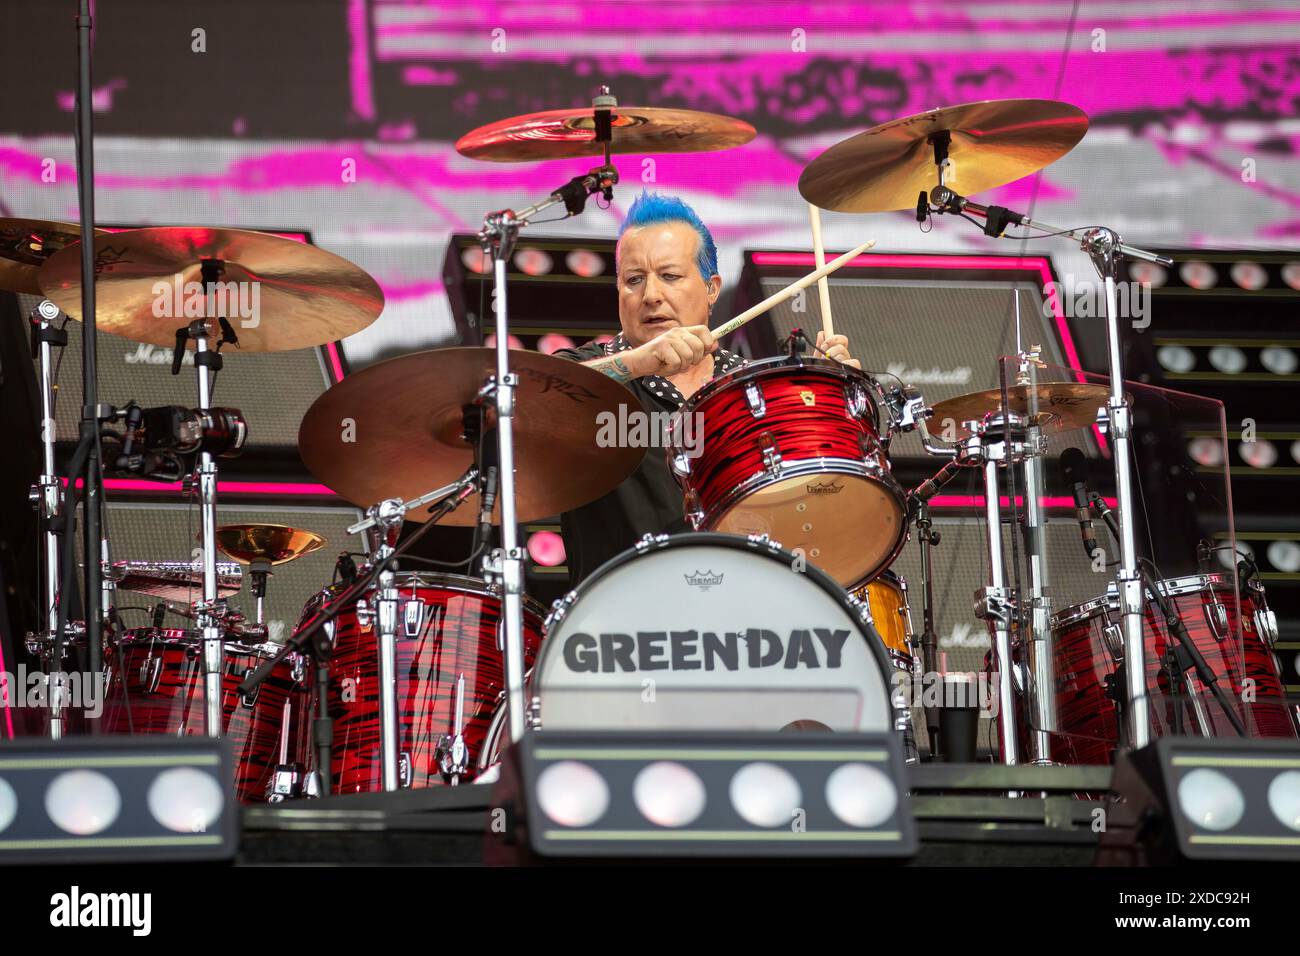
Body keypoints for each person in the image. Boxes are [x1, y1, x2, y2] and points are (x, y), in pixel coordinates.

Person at [553, 192, 861, 583]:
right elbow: (534, 392)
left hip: (745, 619)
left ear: (712, 288)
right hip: (619, 626)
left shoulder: (755, 393)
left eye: (670, 276)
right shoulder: (591, 377)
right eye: (634, 280)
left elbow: (821, 506)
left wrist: (833, 408)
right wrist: (641, 360)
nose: (650, 295)